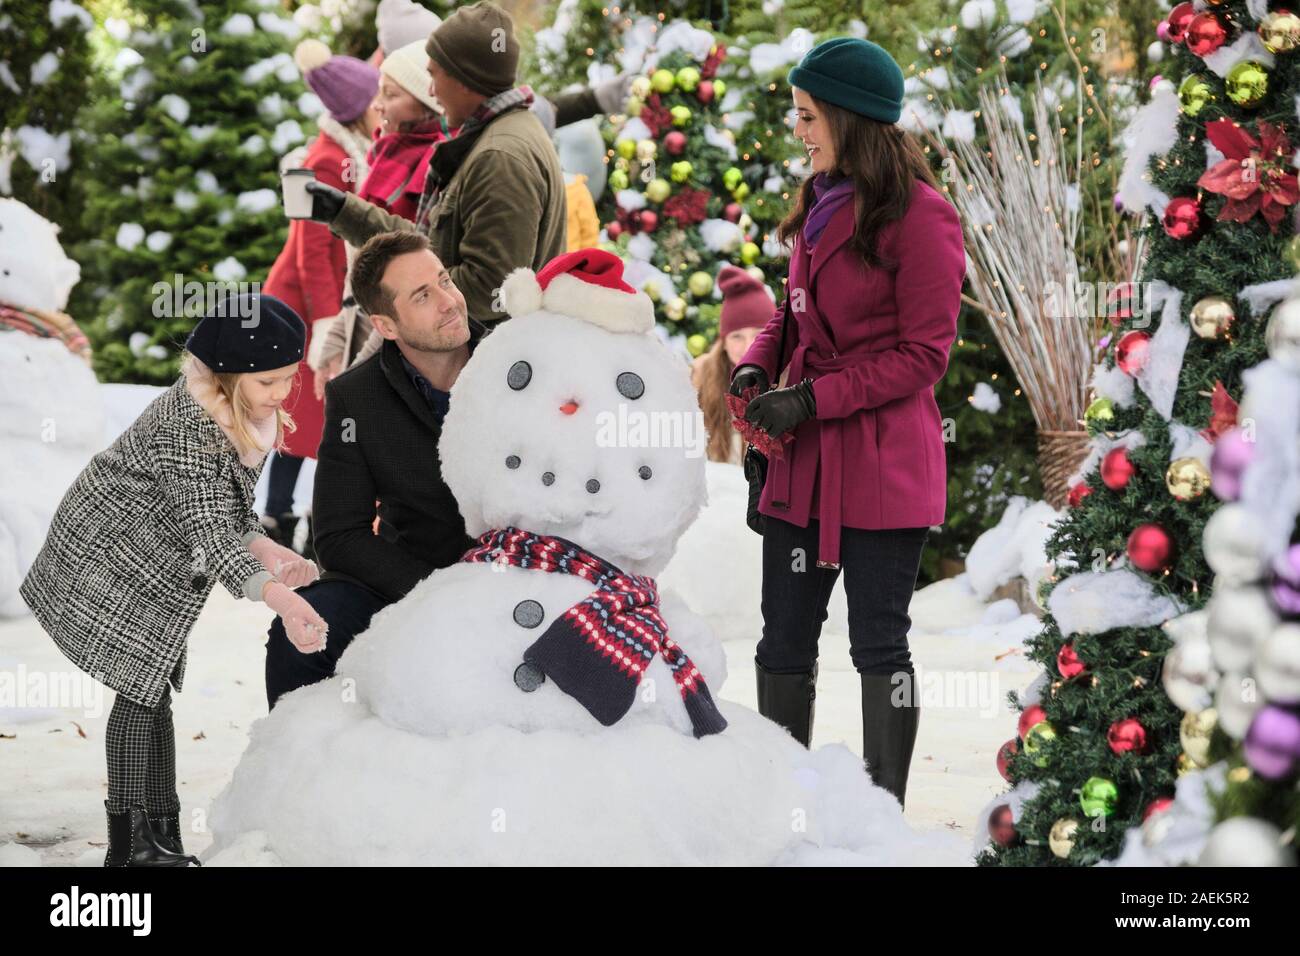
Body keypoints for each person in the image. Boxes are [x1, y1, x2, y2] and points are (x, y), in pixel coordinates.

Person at [729, 37, 966, 810]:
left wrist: (813, 400)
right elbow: (795, 318)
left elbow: (924, 355)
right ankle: (782, 802)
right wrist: (758, 365)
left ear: (849, 117)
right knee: (783, 640)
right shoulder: (819, 198)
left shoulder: (922, 216)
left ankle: (884, 814)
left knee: (878, 644)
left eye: (807, 116)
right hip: (806, 462)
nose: (799, 132)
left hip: (881, 461)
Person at [19, 294, 328, 865]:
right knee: (141, 693)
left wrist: (271, 553)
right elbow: (211, 535)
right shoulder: (188, 427)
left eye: (290, 378)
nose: (284, 393)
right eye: (269, 382)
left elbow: (227, 515)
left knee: (152, 688)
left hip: (152, 563)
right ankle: (131, 847)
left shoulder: (240, 414)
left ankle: (160, 834)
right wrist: (280, 599)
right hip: (108, 560)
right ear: (227, 377)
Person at [264, 231, 485, 708]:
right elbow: (340, 533)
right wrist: (435, 590)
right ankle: (295, 775)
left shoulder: (520, 366)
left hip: (530, 576)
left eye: (445, 281)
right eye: (423, 295)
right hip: (412, 578)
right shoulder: (357, 398)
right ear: (386, 325)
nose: (450, 301)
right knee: (302, 631)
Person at [302, 1, 570, 329]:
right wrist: (343, 211)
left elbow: (488, 291)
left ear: (462, 78)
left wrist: (400, 302)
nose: (430, 90)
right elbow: (430, 248)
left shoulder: (500, 157)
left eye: (433, 75)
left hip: (485, 359)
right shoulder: (495, 138)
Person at [260, 40, 381, 552]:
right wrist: (330, 322)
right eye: (376, 102)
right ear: (357, 111)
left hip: (327, 302)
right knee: (315, 418)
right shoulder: (327, 162)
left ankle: (292, 514)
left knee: (315, 419)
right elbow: (313, 252)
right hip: (309, 305)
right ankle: (287, 517)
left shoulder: (349, 151)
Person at [691, 265, 775, 463]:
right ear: (724, 343)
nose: (748, 347)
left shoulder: (792, 378)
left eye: (758, 335)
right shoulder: (700, 377)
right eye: (737, 336)